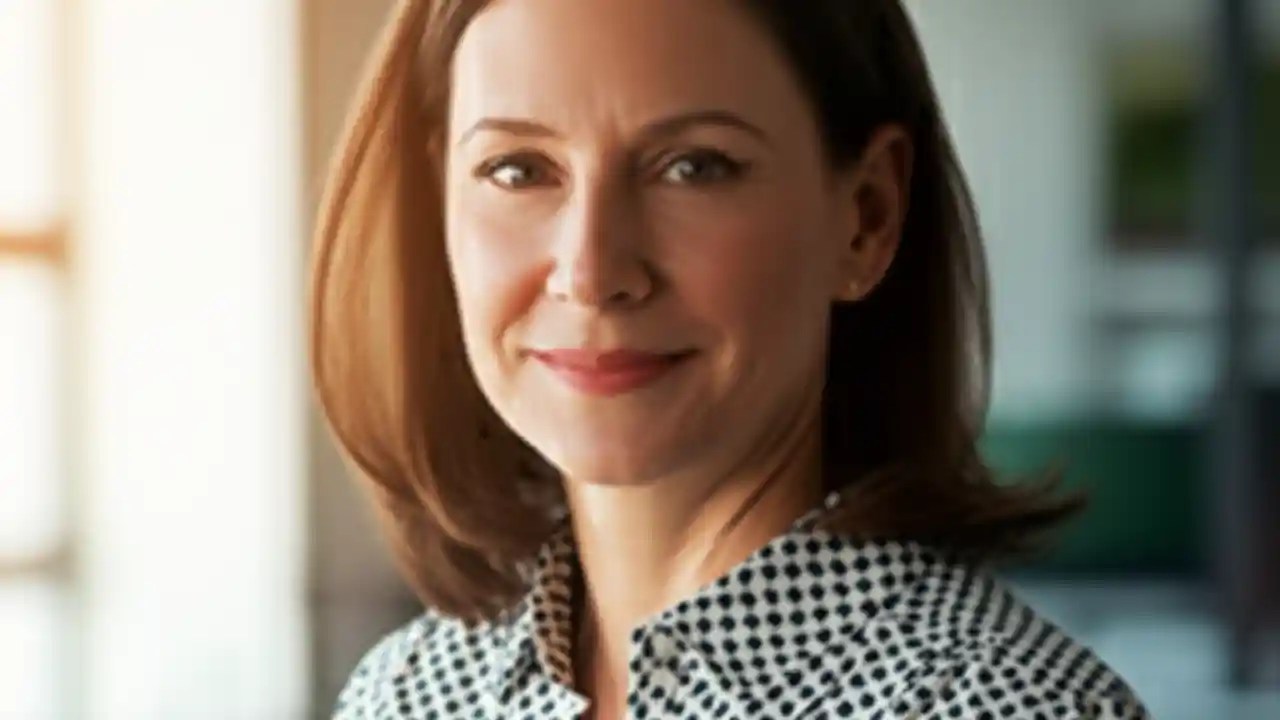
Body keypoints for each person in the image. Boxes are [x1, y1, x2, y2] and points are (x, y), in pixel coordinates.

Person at [311, 0, 1152, 718]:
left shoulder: (1004, 706)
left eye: (692, 166)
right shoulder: (407, 692)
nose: (593, 272)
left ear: (867, 216)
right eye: (517, 169)